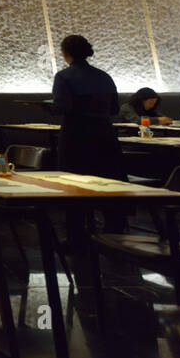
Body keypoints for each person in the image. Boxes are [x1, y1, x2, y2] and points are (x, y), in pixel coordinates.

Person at [47, 34, 124, 240]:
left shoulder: (64, 77)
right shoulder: (104, 76)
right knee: (108, 183)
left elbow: (63, 107)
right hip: (105, 135)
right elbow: (115, 109)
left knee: (74, 184)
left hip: (76, 136)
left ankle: (76, 236)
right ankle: (114, 235)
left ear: (65, 54)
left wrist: (48, 107)